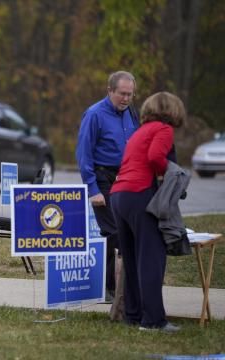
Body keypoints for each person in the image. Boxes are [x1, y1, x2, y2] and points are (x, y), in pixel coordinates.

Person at [110, 92, 186, 332]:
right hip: (140, 194)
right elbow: (155, 157)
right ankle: (153, 320)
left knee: (131, 258)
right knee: (151, 258)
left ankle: (133, 315)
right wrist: (169, 173)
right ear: (172, 110)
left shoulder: (139, 131)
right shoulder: (163, 129)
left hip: (119, 195)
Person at [75, 70, 138, 301]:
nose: (126, 98)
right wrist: (93, 189)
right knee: (114, 232)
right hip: (102, 179)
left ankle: (124, 286)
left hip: (126, 178)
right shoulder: (94, 114)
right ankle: (109, 287)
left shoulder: (131, 112)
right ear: (109, 90)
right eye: (122, 94)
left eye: (130, 94)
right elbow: (83, 154)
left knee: (127, 232)